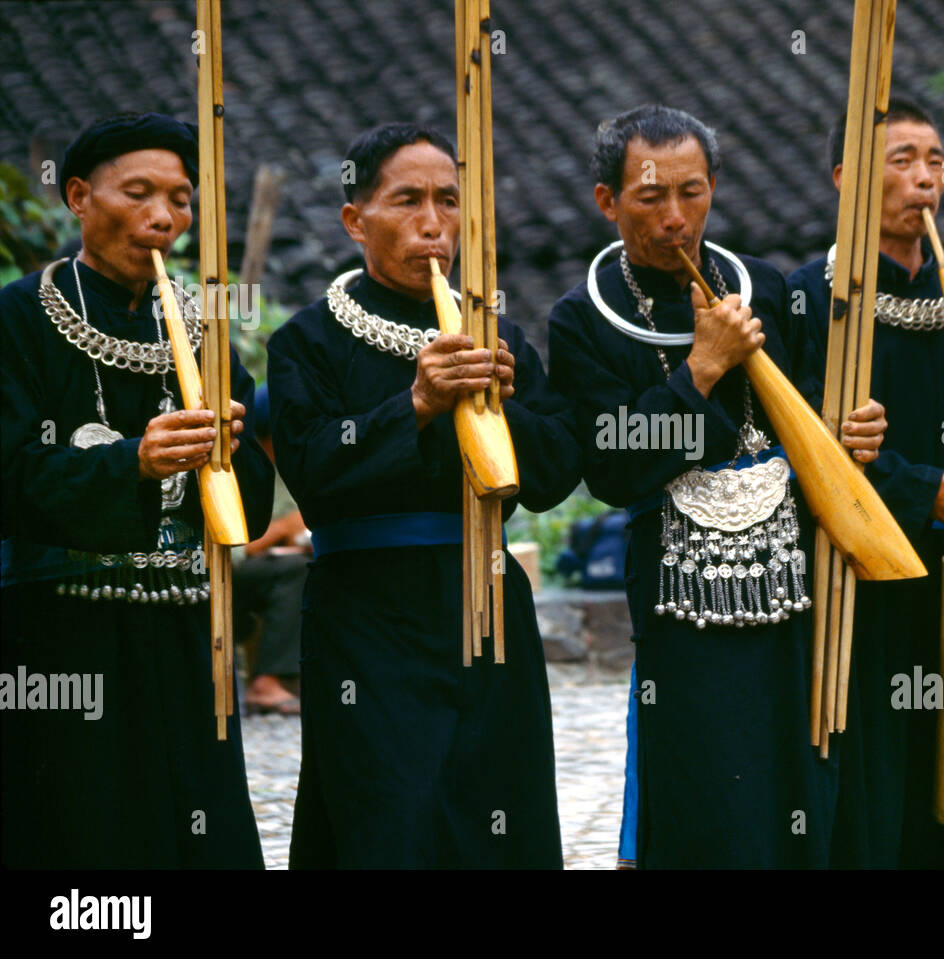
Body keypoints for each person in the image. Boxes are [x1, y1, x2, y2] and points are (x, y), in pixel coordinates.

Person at [548, 104, 886, 868]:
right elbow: (612, 464)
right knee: (700, 779)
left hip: (789, 580)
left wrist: (849, 434)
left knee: (796, 771)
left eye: (692, 193)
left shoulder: (763, 286)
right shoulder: (581, 320)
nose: (675, 218)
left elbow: (806, 425)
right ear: (607, 202)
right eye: (649, 197)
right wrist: (701, 370)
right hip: (677, 595)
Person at [267, 122, 581, 868]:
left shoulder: (493, 334)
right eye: (407, 201)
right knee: (386, 811)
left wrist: (505, 407)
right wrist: (412, 405)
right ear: (356, 220)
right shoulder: (306, 342)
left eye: (449, 200)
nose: (434, 224)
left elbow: (556, 471)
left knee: (493, 806)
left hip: (487, 606)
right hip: (367, 619)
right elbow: (312, 474)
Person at [0, 112, 274, 867]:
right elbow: (10, 477)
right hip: (58, 637)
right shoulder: (16, 318)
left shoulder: (205, 324)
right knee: (79, 832)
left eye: (181, 199)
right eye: (139, 193)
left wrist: (229, 449)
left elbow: (244, 510)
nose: (163, 217)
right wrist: (133, 464)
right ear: (79, 196)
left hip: (184, 633)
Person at [788, 99, 944, 868]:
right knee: (875, 778)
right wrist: (922, 487)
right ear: (844, 180)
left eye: (934, 160)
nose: (924, 178)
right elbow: (803, 454)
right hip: (859, 587)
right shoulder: (809, 301)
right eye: (901, 160)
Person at [233, 385, 309, 715]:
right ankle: (266, 683)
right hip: (221, 576)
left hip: (267, 569)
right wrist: (281, 530)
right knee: (296, 572)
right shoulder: (237, 465)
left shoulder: (290, 468)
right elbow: (232, 551)